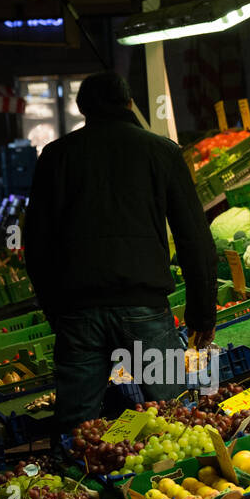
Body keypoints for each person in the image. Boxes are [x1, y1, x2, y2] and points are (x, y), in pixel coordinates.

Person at [23, 71, 216, 431]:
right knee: (173, 419)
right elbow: (195, 239)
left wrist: (56, 312)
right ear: (129, 104)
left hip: (78, 313)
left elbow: (35, 245)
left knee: (75, 431)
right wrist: (202, 315)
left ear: (82, 109)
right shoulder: (162, 151)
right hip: (144, 307)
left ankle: (71, 484)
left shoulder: (55, 156)